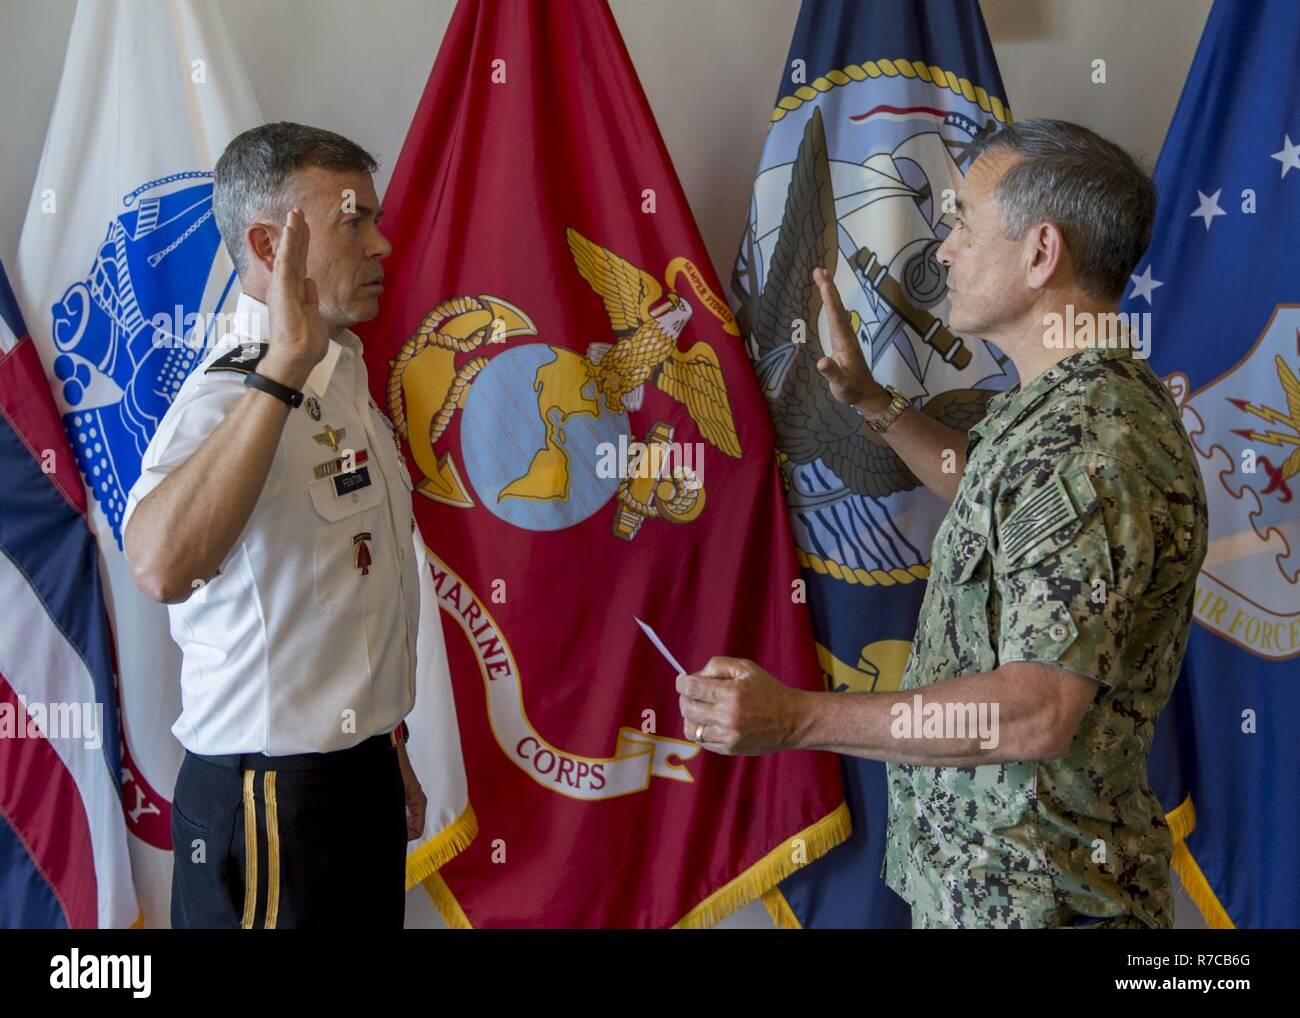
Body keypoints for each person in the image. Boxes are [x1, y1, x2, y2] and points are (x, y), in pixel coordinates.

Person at [676, 119, 1209, 928]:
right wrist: (873, 406)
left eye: (962, 221)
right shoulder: (1065, 411)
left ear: (1040, 253)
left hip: (1043, 906)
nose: (944, 250)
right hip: (1000, 894)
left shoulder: (1088, 442)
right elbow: (990, 495)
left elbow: (1035, 710)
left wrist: (800, 718)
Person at [123, 122, 426, 928]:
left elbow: (347, 591)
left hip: (349, 779)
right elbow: (158, 566)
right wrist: (281, 370)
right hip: (268, 804)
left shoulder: (344, 373)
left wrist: (381, 746)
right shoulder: (232, 398)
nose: (383, 243)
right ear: (269, 242)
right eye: (354, 220)